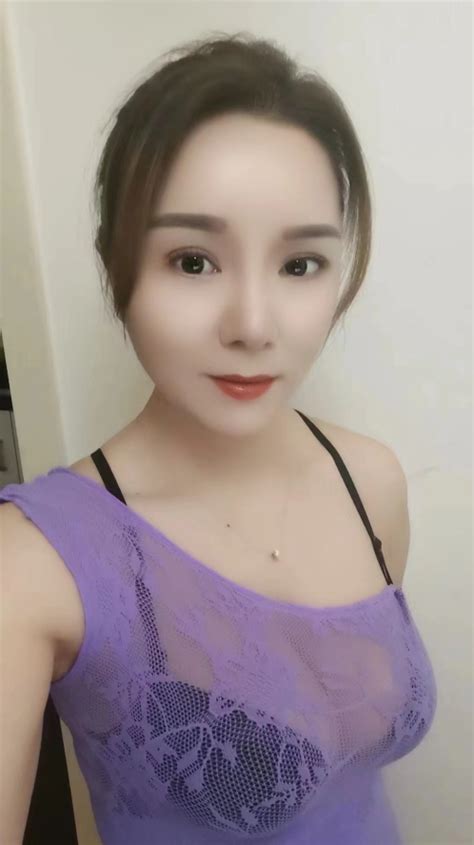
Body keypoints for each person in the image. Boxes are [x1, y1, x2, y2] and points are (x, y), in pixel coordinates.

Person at [1, 32, 437, 845]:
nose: (253, 325)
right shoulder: (34, 563)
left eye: (300, 264)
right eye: (194, 261)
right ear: (116, 264)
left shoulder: (369, 481)